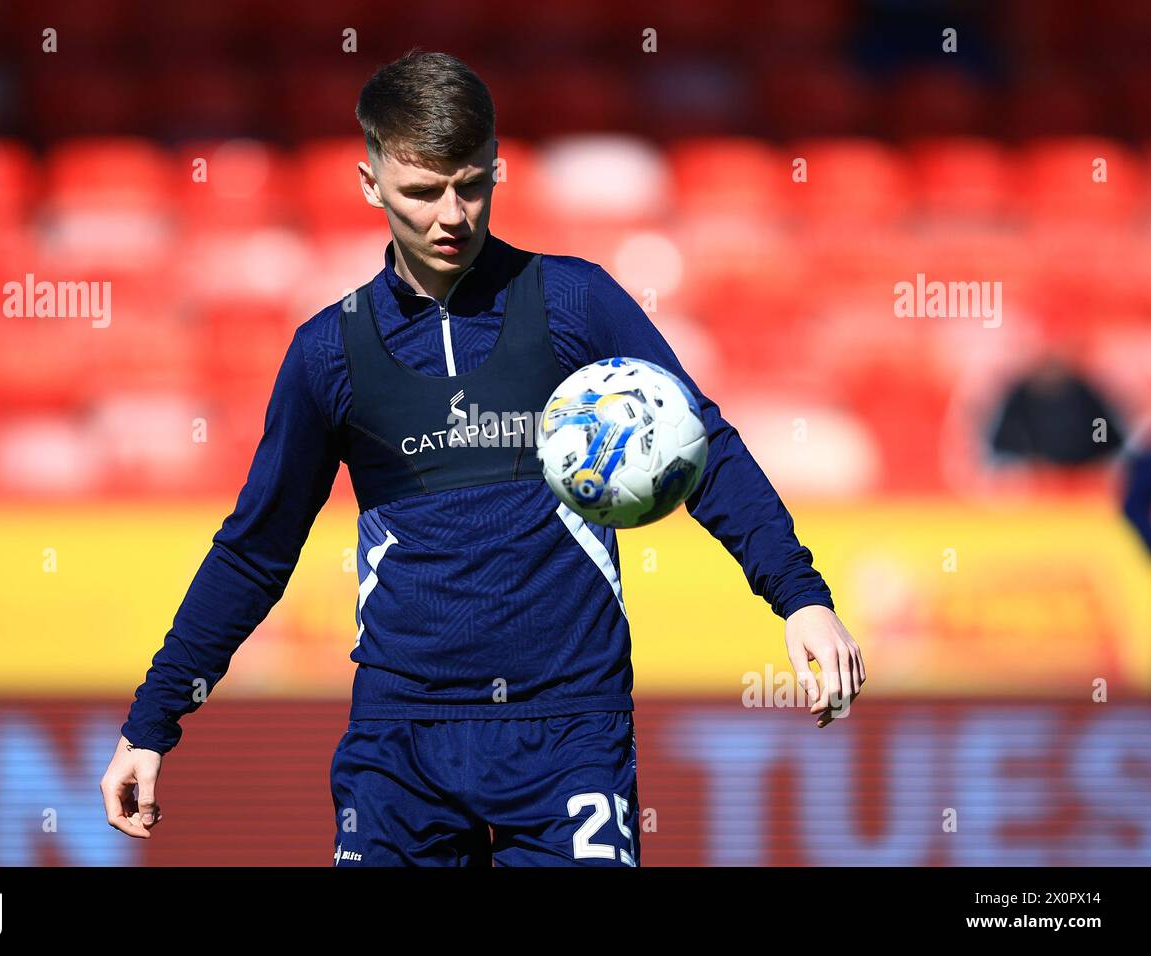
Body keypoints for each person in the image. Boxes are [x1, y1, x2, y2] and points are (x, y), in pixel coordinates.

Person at [99, 49, 865, 866]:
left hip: (570, 727)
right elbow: (256, 549)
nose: (451, 215)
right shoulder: (331, 353)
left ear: (498, 169)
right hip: (402, 743)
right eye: (422, 192)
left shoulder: (574, 303)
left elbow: (701, 446)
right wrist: (153, 723)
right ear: (370, 186)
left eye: (471, 184)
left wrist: (799, 597)